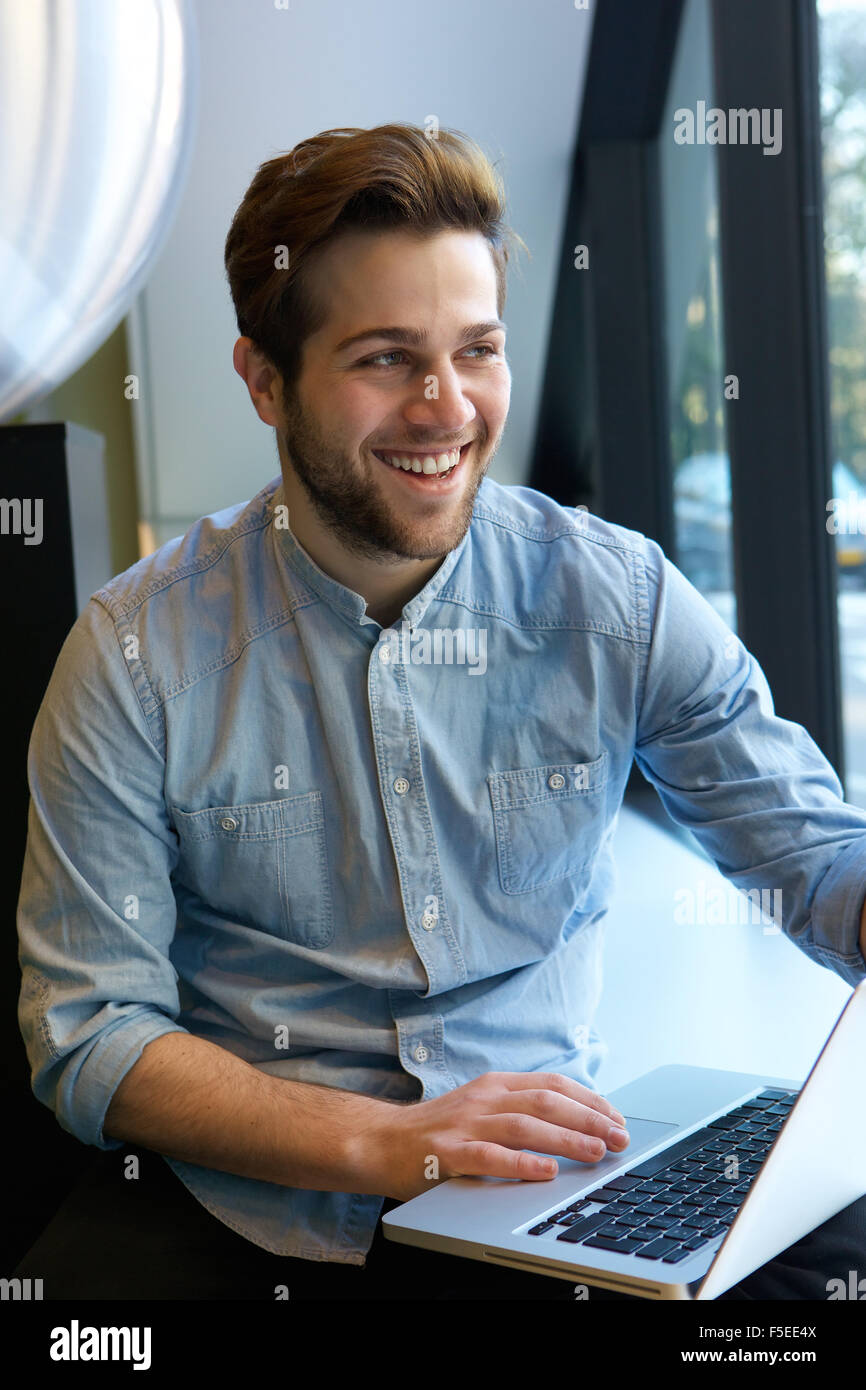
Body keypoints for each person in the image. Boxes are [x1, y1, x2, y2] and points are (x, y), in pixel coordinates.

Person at [15, 123, 866, 1301]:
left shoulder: (612, 596)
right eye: (383, 358)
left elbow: (814, 855)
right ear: (264, 381)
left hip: (562, 1193)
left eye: (477, 350)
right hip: (254, 1214)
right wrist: (387, 1143)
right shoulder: (132, 654)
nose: (445, 407)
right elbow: (90, 1031)